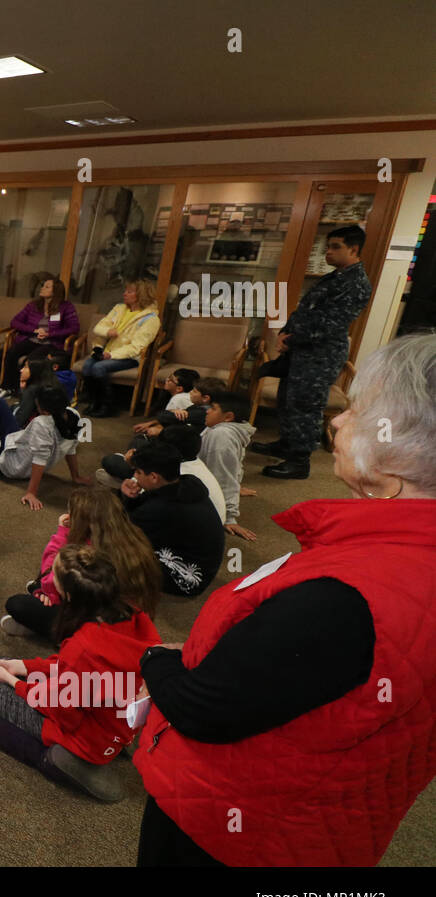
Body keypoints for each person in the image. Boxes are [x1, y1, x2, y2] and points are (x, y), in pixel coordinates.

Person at [134, 333, 436, 866]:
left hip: (239, 831)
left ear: (405, 449)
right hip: (309, 821)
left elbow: (206, 708)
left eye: (360, 410)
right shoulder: (390, 562)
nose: (339, 421)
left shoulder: (350, 596)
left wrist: (157, 660)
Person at [0, 545, 161, 802]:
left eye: (55, 578)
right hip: (111, 719)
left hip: (82, 735)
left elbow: (61, 710)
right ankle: (91, 754)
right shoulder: (132, 615)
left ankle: (46, 756)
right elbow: (73, 671)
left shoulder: (84, 648)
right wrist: (23, 666)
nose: (49, 581)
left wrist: (13, 683)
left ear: (70, 596)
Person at [252, 225, 372, 480]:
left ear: (354, 249)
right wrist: (285, 335)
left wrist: (291, 340)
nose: (328, 252)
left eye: (336, 247)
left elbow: (329, 325)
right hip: (300, 349)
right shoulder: (333, 277)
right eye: (327, 247)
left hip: (320, 354)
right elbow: (305, 311)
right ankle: (286, 444)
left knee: (305, 406)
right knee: (287, 399)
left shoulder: (355, 284)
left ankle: (299, 461)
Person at [1, 486, 161, 641]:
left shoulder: (91, 554)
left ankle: (58, 634)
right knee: (37, 588)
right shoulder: (134, 537)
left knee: (18, 603)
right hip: (129, 619)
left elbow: (51, 578)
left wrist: (62, 533)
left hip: (97, 628)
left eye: (71, 513)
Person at [118, 440, 224, 597]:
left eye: (138, 472)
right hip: (203, 565)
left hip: (187, 580)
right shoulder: (186, 483)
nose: (134, 477)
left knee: (111, 551)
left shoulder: (161, 508)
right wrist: (129, 497)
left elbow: (121, 531)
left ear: (154, 477)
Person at [0, 386, 89, 510]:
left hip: (8, 463)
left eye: (37, 406)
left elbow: (39, 460)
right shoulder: (75, 415)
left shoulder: (41, 423)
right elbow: (71, 448)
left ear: (45, 411)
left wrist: (31, 493)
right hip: (16, 441)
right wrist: (75, 476)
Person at [98, 424, 226, 524]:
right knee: (137, 443)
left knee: (111, 464)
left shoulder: (161, 500)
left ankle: (127, 472)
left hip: (184, 538)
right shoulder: (191, 474)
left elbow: (133, 521)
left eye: (138, 472)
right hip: (208, 523)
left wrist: (132, 470)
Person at [80, 279, 161, 417]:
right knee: (87, 365)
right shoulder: (119, 309)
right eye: (125, 291)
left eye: (129, 292)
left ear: (141, 295)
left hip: (129, 357)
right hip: (107, 351)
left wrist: (112, 355)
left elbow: (137, 347)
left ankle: (107, 405)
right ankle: (94, 401)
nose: (124, 294)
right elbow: (99, 327)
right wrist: (105, 337)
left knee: (99, 367)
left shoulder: (151, 319)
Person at [0, 277, 80, 394]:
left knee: (32, 359)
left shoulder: (66, 307)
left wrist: (50, 334)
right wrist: (34, 330)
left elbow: (74, 328)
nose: (42, 288)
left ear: (55, 291)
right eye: (43, 286)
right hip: (32, 339)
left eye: (47, 286)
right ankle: (7, 387)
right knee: (12, 352)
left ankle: (25, 390)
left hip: (52, 343)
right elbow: (14, 322)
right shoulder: (33, 305)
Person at [198, 390, 257, 539]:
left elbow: (224, 475)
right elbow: (235, 465)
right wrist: (237, 486)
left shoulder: (221, 435)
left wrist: (229, 516)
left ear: (228, 417)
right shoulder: (225, 428)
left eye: (213, 409)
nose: (208, 411)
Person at [131, 375, 225, 435]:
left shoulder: (201, 412)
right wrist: (173, 411)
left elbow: (163, 416)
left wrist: (160, 430)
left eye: (194, 391)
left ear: (205, 398)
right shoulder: (198, 407)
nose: (190, 393)